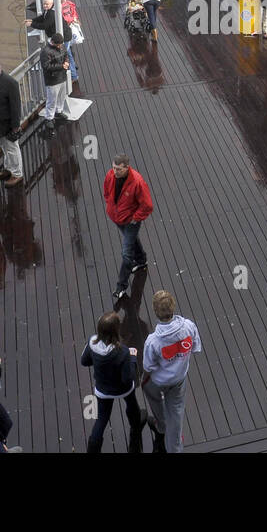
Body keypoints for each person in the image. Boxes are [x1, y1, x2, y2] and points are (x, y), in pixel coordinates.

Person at [142, 290, 202, 454]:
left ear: (155, 311)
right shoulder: (189, 327)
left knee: (154, 398)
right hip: (179, 380)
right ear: (173, 306)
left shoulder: (153, 341)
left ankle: (161, 425)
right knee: (176, 412)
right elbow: (195, 348)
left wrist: (144, 380)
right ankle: (174, 448)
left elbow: (148, 367)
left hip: (157, 381)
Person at [81, 312, 145, 453]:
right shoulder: (123, 352)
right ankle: (135, 431)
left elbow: (84, 361)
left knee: (102, 419)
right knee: (132, 404)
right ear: (116, 330)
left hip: (103, 390)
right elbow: (127, 378)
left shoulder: (92, 344)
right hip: (123, 389)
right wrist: (133, 358)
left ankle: (93, 449)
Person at [105, 153, 154, 304]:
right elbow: (107, 192)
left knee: (126, 255)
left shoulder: (137, 182)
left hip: (130, 221)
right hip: (117, 218)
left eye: (118, 169)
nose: (115, 172)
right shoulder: (110, 175)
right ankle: (141, 260)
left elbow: (147, 205)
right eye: (114, 168)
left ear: (127, 167)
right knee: (131, 240)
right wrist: (110, 206)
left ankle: (121, 286)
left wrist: (135, 218)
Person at [42, 33, 70, 129]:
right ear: (53, 43)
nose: (61, 46)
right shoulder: (46, 51)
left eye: (61, 44)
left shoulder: (61, 47)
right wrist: (62, 66)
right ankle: (49, 118)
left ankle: (59, 111)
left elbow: (66, 55)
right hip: (52, 80)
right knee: (52, 100)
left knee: (61, 96)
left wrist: (66, 62)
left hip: (61, 77)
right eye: (59, 44)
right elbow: (46, 66)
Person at [60, 0, 81, 82]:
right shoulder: (67, 5)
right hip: (69, 31)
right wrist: (74, 19)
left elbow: (71, 15)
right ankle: (73, 67)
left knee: (68, 53)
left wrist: (73, 19)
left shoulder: (67, 5)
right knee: (70, 51)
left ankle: (73, 75)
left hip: (67, 32)